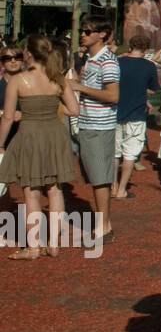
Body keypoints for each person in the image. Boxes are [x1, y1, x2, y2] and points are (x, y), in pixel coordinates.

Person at [0, 36, 81, 257]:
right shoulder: (58, 78)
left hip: (29, 134)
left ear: (28, 54)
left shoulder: (18, 81)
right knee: (54, 190)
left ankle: (33, 246)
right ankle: (53, 243)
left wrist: (0, 143)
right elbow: (74, 110)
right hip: (54, 134)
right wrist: (52, 108)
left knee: (31, 192)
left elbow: (7, 117)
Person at [69, 16, 119, 245]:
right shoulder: (91, 58)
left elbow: (112, 95)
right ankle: (102, 223)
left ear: (101, 34)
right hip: (88, 123)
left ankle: (104, 225)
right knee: (95, 177)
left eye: (87, 31)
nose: (82, 34)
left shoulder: (107, 60)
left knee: (100, 179)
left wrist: (80, 86)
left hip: (100, 125)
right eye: (82, 30)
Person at [114, 34, 160, 200]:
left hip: (116, 111)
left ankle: (112, 186)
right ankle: (122, 189)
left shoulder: (117, 63)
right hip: (136, 113)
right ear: (146, 49)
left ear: (130, 46)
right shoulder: (149, 66)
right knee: (130, 154)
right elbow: (154, 89)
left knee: (115, 153)